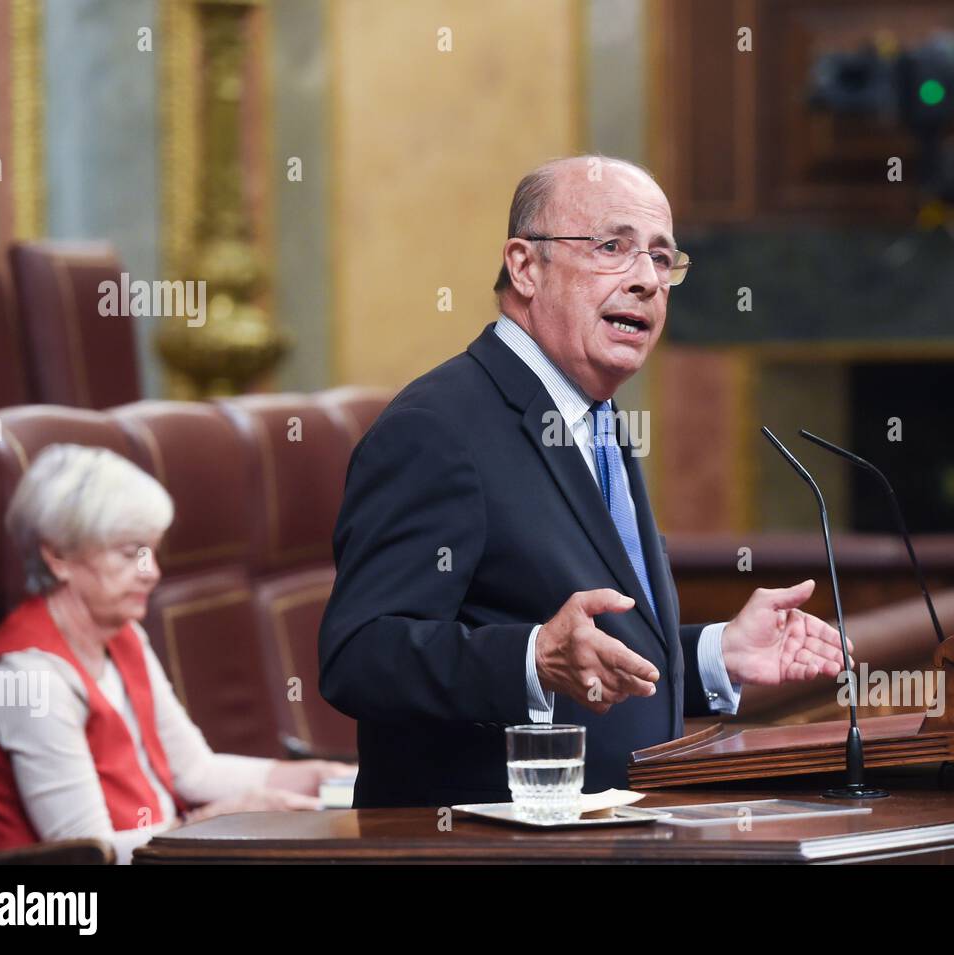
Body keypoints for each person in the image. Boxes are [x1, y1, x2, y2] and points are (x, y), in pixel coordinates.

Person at [319, 155, 851, 808]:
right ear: (524, 265)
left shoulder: (594, 417)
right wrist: (533, 657)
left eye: (662, 258)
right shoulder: (437, 427)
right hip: (477, 851)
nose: (648, 282)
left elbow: (590, 655)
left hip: (608, 836)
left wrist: (716, 653)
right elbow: (360, 654)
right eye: (612, 247)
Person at [0, 443, 353, 862]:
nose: (153, 573)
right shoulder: (28, 677)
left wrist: (312, 778)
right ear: (57, 556)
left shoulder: (121, 633)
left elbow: (193, 770)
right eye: (131, 554)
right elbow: (87, 853)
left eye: (152, 551)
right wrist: (217, 822)